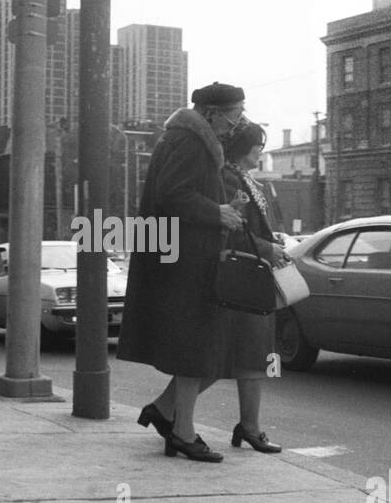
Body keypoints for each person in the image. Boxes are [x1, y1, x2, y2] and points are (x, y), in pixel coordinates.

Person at [117, 81, 249, 463]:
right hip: (186, 263)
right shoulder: (191, 141)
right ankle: (181, 431)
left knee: (202, 348)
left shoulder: (189, 139)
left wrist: (218, 208)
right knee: (196, 348)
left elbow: (177, 193)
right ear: (212, 113)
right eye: (235, 114)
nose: (237, 123)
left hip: (184, 258)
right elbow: (172, 193)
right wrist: (217, 211)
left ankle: (166, 412)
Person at [218, 120, 286, 453]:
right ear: (245, 147)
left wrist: (274, 243)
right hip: (244, 275)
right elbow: (234, 229)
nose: (261, 150)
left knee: (251, 356)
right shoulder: (230, 179)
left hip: (252, 273)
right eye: (258, 144)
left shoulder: (245, 179)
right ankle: (166, 409)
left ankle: (249, 426)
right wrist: (267, 248)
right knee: (242, 355)